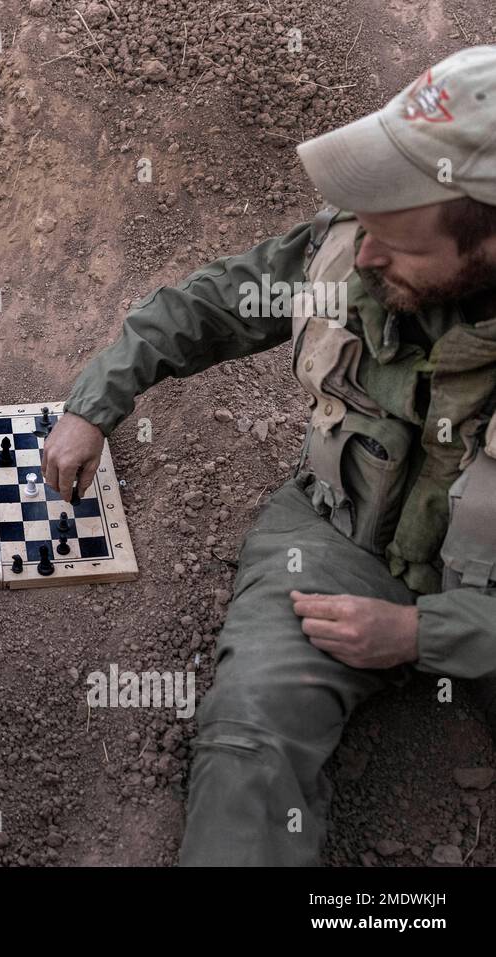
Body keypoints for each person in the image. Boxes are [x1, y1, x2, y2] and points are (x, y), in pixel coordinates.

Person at [41, 46, 496, 865]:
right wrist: (97, 400)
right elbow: (213, 303)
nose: (366, 255)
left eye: (398, 241)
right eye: (367, 228)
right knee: (247, 750)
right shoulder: (358, 247)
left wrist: (421, 632)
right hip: (340, 541)